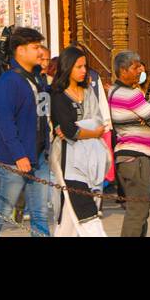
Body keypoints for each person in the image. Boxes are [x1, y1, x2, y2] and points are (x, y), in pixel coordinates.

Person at [0, 26, 52, 238]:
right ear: (20, 50)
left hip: (39, 156)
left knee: (40, 214)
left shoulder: (38, 79)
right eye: (35, 47)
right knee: (2, 212)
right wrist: (19, 155)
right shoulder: (6, 83)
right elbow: (5, 123)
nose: (41, 52)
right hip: (13, 159)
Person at [49, 46, 107, 237]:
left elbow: (98, 120)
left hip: (93, 158)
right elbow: (69, 130)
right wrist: (91, 132)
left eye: (85, 66)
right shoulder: (58, 95)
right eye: (79, 67)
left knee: (69, 215)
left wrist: (83, 130)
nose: (84, 71)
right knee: (85, 210)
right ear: (67, 68)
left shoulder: (88, 91)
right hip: (69, 160)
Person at [109, 49, 150, 237]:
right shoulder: (130, 94)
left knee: (141, 210)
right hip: (136, 157)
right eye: (135, 66)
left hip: (130, 157)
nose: (140, 70)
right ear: (123, 71)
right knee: (137, 211)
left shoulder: (115, 91)